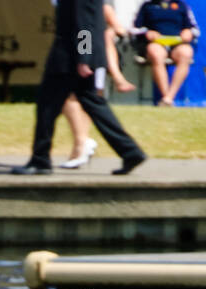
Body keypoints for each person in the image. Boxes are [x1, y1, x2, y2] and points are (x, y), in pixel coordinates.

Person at [12, 0, 147, 175]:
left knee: (47, 105)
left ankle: (40, 159)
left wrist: (84, 57)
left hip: (69, 57)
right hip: (78, 54)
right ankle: (130, 151)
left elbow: (84, 22)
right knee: (94, 104)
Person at [132, 0, 196, 105]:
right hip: (155, 43)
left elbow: (194, 29)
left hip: (177, 43)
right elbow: (134, 29)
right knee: (156, 53)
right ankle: (166, 97)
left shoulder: (182, 5)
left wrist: (188, 32)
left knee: (186, 53)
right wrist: (147, 33)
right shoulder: (147, 6)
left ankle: (169, 97)